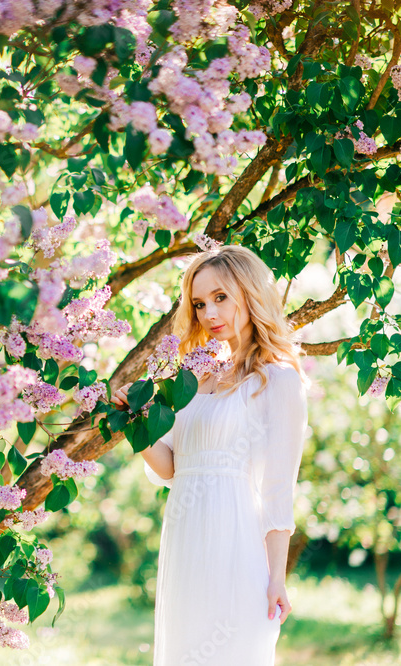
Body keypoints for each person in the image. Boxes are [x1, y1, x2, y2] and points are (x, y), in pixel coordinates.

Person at [110, 245, 309, 665]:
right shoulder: (195, 377)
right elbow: (172, 466)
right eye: (199, 304)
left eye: (220, 297)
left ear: (250, 293)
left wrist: (277, 578)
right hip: (184, 537)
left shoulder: (278, 378)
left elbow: (278, 490)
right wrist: (134, 421)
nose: (209, 313)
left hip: (236, 539)